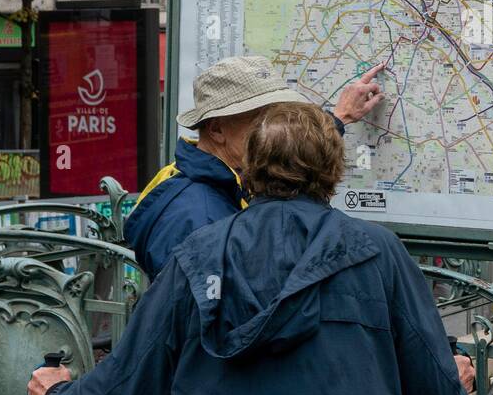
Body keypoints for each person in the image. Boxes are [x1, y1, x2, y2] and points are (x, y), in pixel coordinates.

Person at [29, 102, 474, 395]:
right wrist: (454, 381)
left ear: (248, 169)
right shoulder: (378, 252)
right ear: (334, 170)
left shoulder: (198, 255)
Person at [125, 55, 385, 277]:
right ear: (216, 129)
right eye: (264, 121)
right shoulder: (197, 217)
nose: (276, 131)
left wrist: (337, 120)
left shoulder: (216, 181)